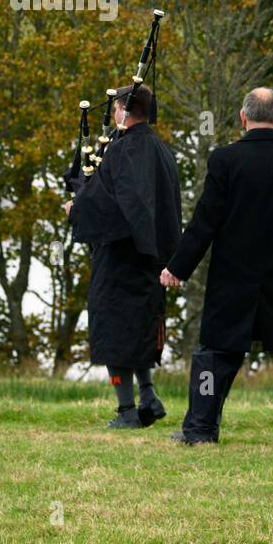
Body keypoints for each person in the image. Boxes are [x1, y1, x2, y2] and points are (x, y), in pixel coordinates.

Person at [160, 88, 273, 446]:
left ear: (243, 117)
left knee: (215, 353)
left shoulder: (225, 160)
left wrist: (177, 267)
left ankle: (201, 429)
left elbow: (204, 222)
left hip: (232, 276)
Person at [67, 83, 182, 429]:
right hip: (152, 258)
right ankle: (148, 394)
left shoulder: (120, 152)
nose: (114, 114)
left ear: (123, 111)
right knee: (141, 326)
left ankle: (126, 410)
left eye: (116, 108)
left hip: (119, 255)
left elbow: (110, 202)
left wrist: (76, 208)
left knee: (114, 330)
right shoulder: (162, 150)